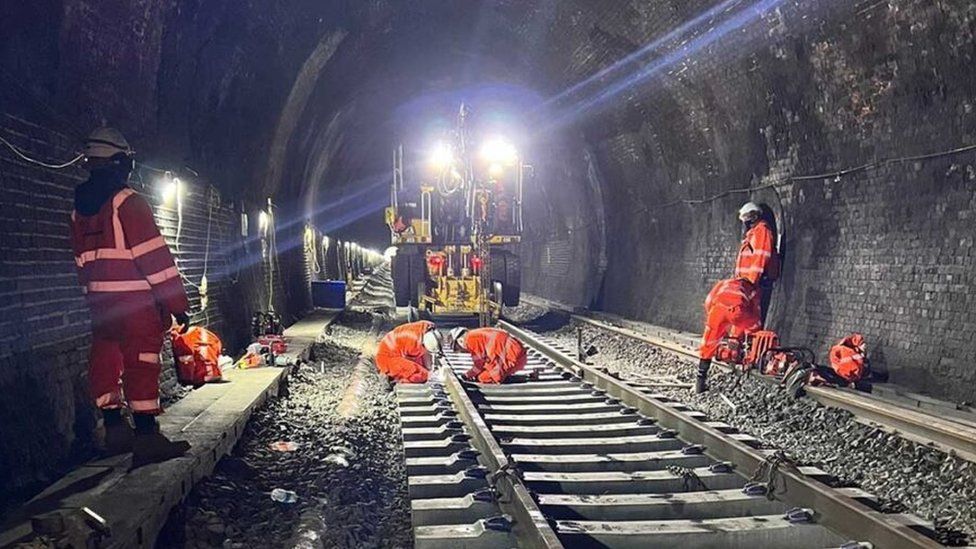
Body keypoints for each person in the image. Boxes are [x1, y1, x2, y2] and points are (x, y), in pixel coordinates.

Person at [70, 127, 191, 467]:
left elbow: (81, 261)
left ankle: (114, 429)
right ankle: (147, 436)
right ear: (121, 162)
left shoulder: (79, 209)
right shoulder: (129, 203)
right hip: (135, 302)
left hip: (101, 304)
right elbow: (156, 260)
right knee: (142, 363)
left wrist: (92, 297)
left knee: (105, 360)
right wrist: (177, 304)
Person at [696, 277, 762, 393]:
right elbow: (754, 312)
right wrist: (744, 334)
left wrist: (715, 323)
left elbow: (708, 301)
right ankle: (749, 356)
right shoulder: (751, 289)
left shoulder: (723, 283)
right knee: (753, 325)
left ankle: (699, 384)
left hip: (717, 308)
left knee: (708, 344)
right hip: (737, 311)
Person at [734, 202, 778, 325]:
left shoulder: (762, 231)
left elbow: (761, 257)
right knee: (748, 313)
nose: (746, 222)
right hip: (748, 282)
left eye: (747, 218)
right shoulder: (753, 233)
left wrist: (752, 281)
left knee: (754, 313)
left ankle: (751, 339)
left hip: (756, 282)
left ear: (754, 217)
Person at [450, 327, 528, 384]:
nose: (463, 351)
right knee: (486, 371)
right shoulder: (475, 334)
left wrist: (467, 375)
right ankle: (521, 376)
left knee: (483, 377)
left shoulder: (470, 340)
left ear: (460, 340)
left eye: (458, 349)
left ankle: (522, 377)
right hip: (519, 355)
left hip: (512, 356)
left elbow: (479, 365)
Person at [375, 320, 443, 383]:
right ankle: (399, 380)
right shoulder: (413, 344)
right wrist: (429, 373)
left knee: (422, 366)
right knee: (418, 373)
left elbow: (425, 354)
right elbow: (411, 362)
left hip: (392, 346)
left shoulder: (428, 326)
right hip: (386, 358)